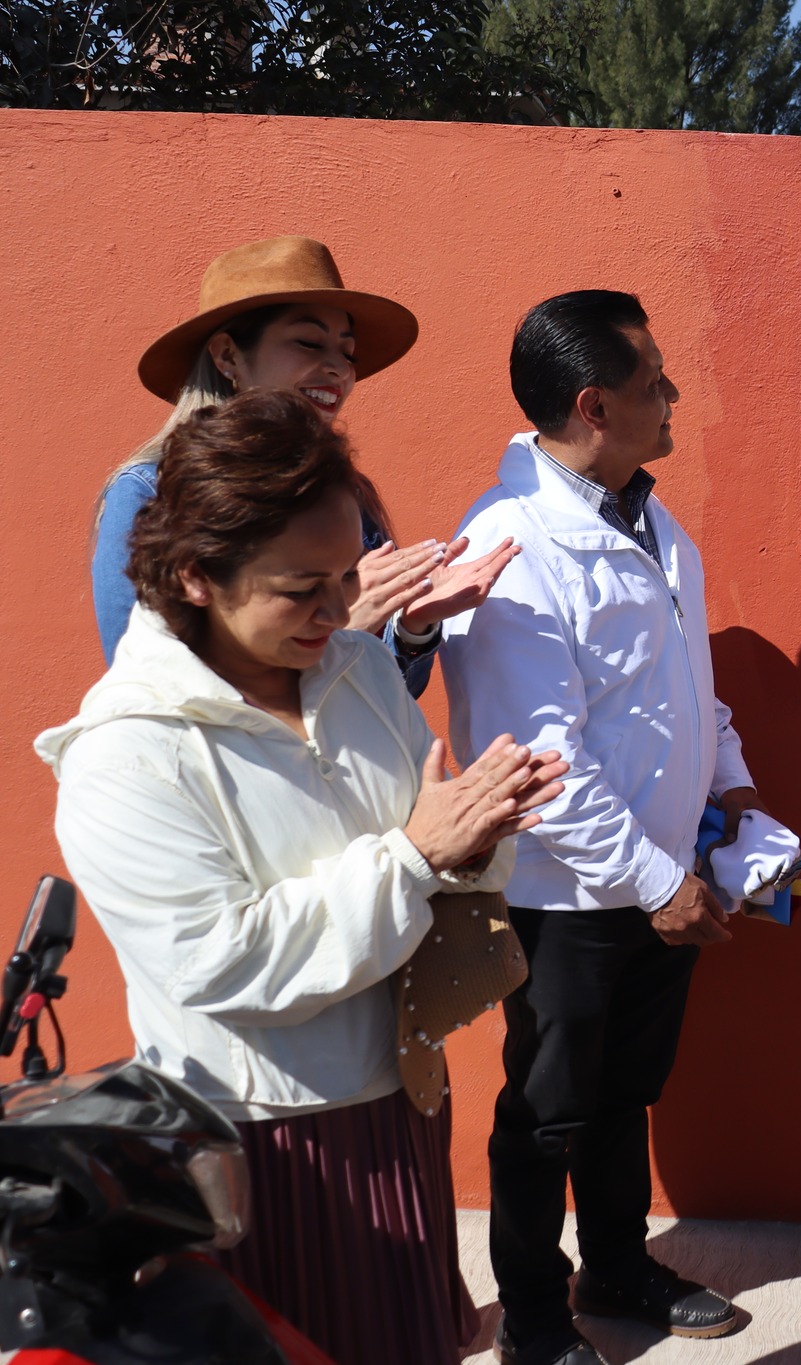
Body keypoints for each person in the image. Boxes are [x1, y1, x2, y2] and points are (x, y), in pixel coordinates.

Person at [37, 390, 567, 1365]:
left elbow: (439, 845)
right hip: (262, 1149)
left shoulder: (358, 673)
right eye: (300, 587)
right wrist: (417, 854)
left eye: (345, 574)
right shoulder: (128, 752)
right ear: (196, 576)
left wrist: (485, 826)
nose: (339, 608)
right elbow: (221, 964)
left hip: (399, 1110)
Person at [440, 291, 762, 1365]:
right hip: (566, 895)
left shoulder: (648, 518)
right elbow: (541, 761)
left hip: (658, 878)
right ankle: (536, 1318)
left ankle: (619, 1270)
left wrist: (741, 797)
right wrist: (655, 881)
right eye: (653, 383)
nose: (672, 397)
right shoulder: (512, 543)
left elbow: (686, 690)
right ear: (593, 404)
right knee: (546, 1115)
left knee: (623, 1096)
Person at [93, 234, 516, 692]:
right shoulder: (147, 493)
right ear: (228, 355)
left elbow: (388, 697)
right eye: (309, 343)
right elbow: (151, 691)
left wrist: (412, 627)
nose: (340, 368)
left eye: (348, 352)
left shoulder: (342, 491)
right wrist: (345, 629)